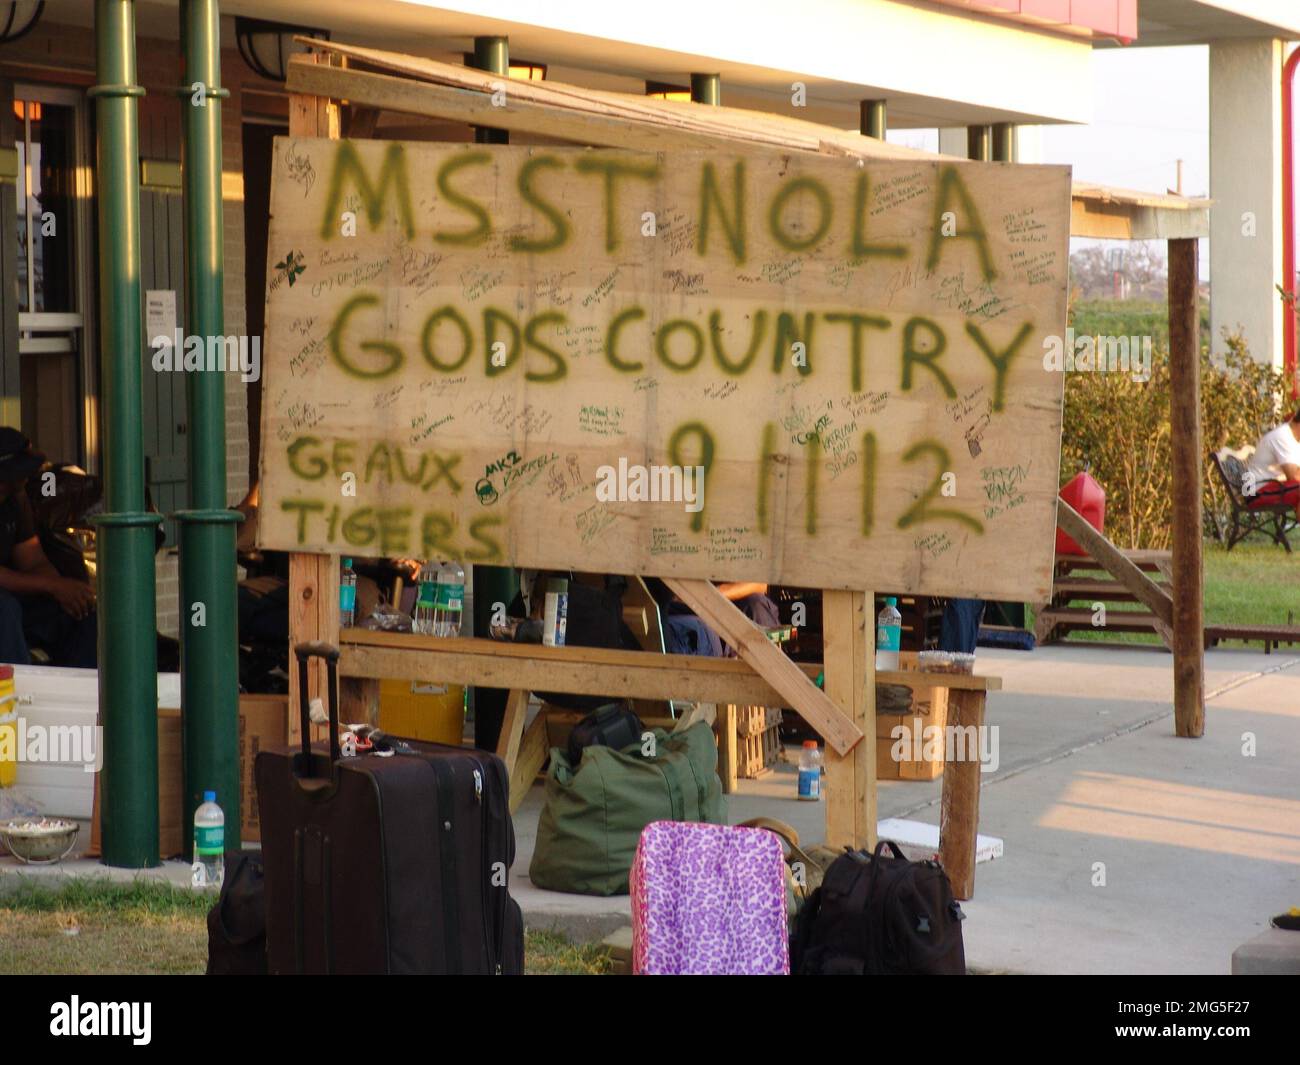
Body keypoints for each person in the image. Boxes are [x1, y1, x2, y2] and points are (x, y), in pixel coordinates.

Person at [0, 429, 96, 667]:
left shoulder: (15, 499)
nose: (20, 482)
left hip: (14, 595)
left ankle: (85, 693)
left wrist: (64, 590)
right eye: (12, 478)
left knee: (83, 610)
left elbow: (32, 559)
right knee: (5, 609)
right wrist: (52, 585)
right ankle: (13, 695)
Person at [1245, 409, 1300, 518]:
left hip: (1271, 486)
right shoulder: (1283, 437)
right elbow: (1294, 476)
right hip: (1255, 492)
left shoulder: (1293, 438)